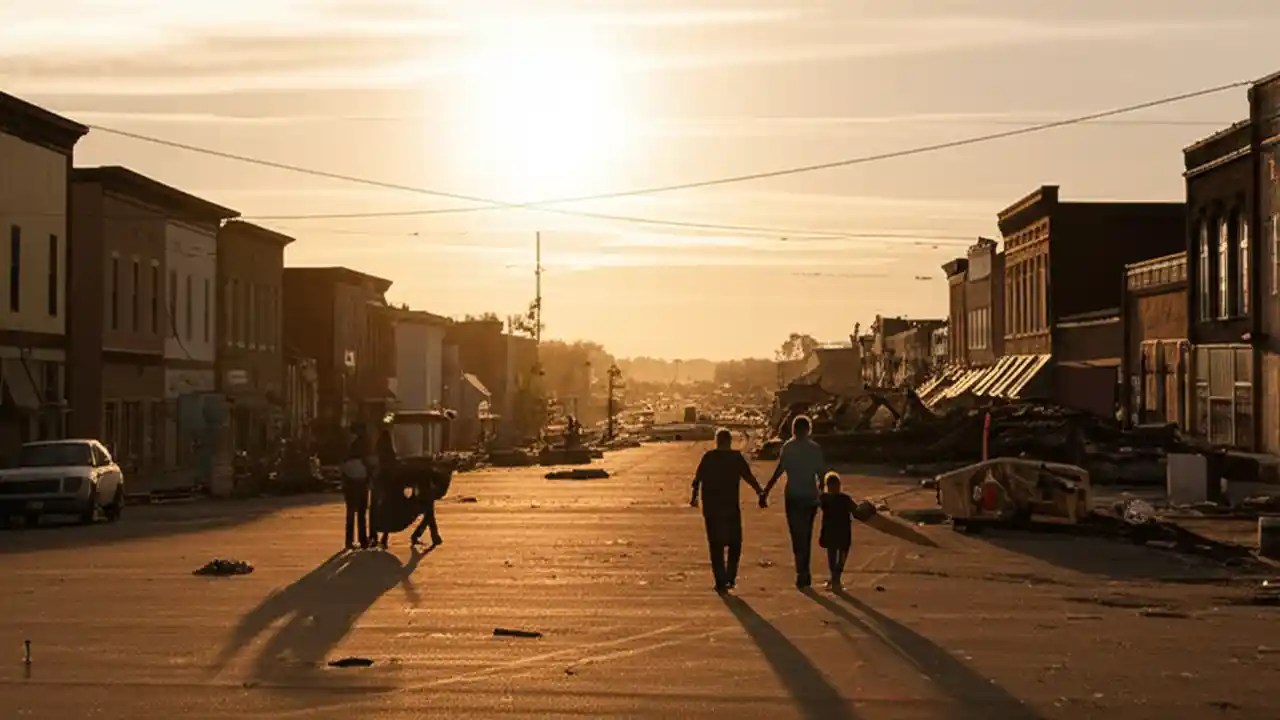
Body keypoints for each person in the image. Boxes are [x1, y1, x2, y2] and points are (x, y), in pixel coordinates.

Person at [690, 428, 764, 593]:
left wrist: (694, 497)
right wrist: (760, 493)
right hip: (730, 507)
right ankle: (730, 576)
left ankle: (720, 580)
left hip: (711, 508)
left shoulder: (708, 457)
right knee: (735, 543)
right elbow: (749, 476)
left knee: (715, 545)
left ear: (717, 441)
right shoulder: (736, 458)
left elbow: (697, 479)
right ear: (729, 442)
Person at [761, 415, 826, 588]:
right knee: (807, 534)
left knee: (797, 535)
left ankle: (801, 572)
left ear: (793, 429)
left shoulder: (788, 447)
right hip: (810, 496)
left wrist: (765, 492)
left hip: (793, 496)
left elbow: (779, 471)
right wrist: (823, 495)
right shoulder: (815, 449)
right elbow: (822, 475)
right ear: (809, 429)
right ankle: (805, 571)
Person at [818, 472, 856, 590]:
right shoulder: (844, 499)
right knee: (838, 556)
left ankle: (835, 578)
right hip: (841, 531)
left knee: (834, 555)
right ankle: (836, 579)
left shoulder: (824, 498)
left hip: (833, 531)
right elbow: (856, 511)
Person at [341, 423, 371, 550]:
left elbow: (342, 466)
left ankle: (349, 541)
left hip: (350, 484)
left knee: (350, 514)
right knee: (361, 513)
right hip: (360, 482)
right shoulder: (362, 444)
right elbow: (367, 463)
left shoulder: (345, 446)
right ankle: (363, 540)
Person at [369, 422, 398, 550]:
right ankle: (384, 537)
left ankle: (373, 536)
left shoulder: (379, 453)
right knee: (386, 511)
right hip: (388, 485)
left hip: (379, 483)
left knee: (374, 510)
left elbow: (376, 467)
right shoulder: (391, 454)